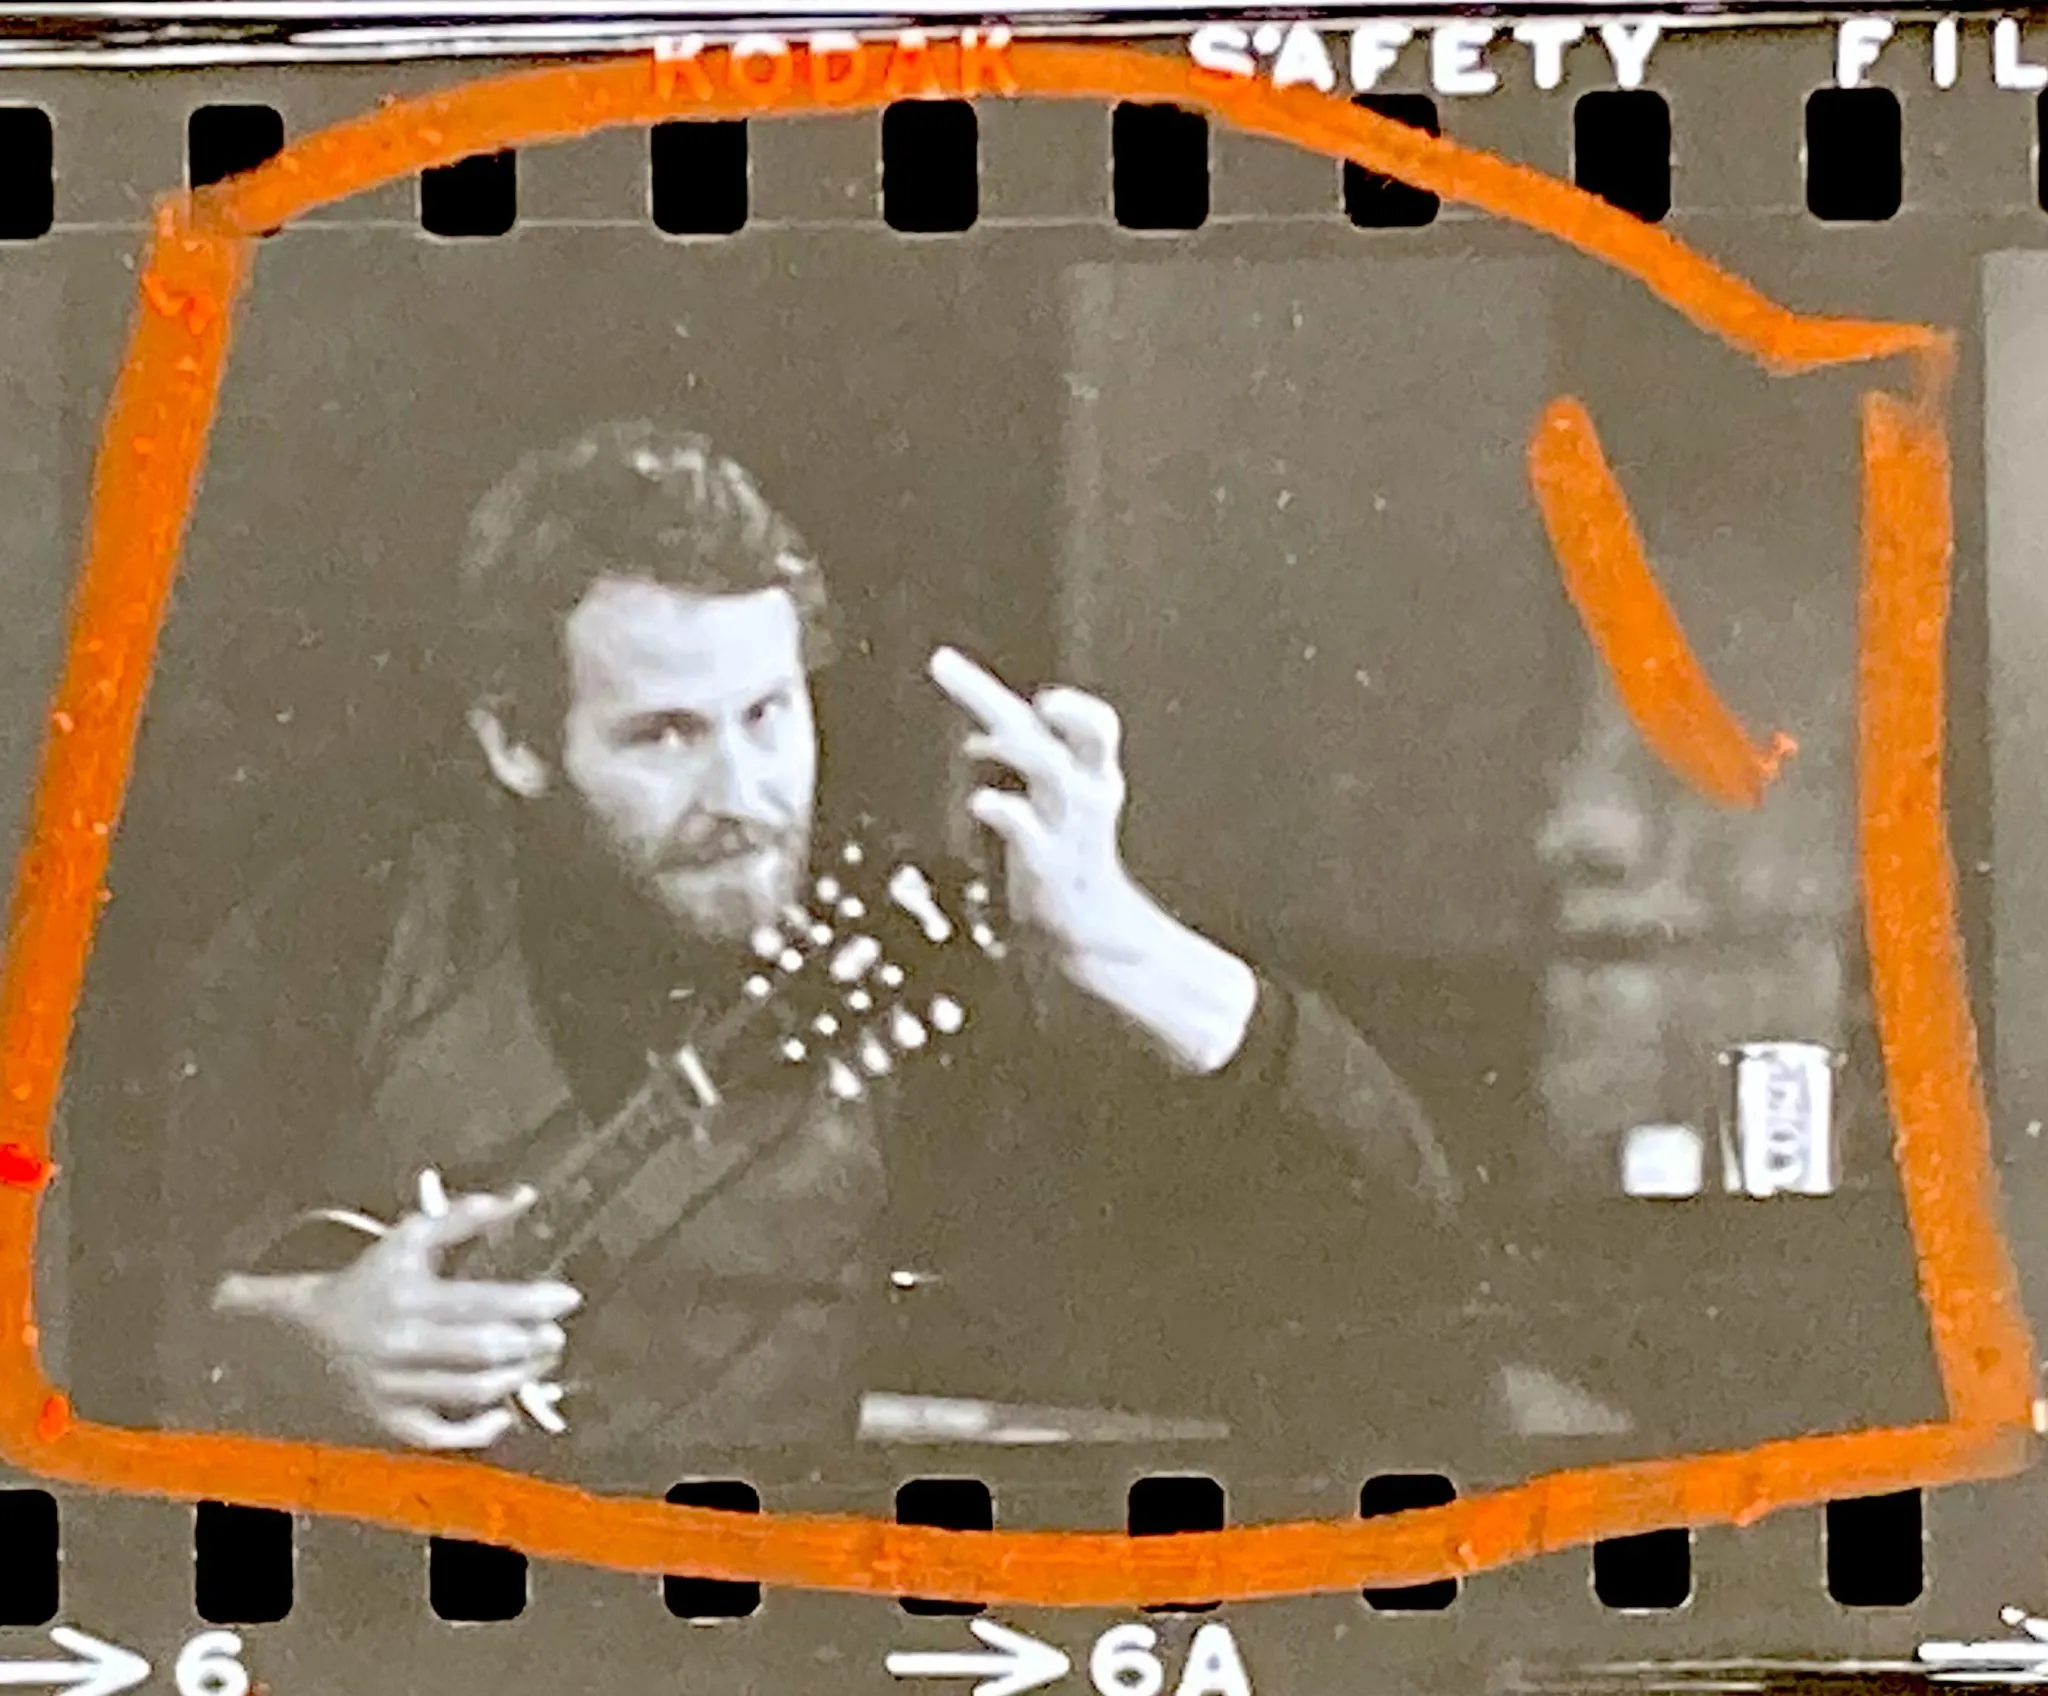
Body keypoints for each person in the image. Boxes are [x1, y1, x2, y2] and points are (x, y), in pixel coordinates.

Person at [153, 422, 1472, 1488]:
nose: (748, 791)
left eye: (770, 713)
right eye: (665, 734)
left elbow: (1404, 1239)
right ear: (517, 740)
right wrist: (294, 1340)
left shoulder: (906, 953)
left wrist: (1115, 935)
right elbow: (72, 1286)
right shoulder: (351, 937)